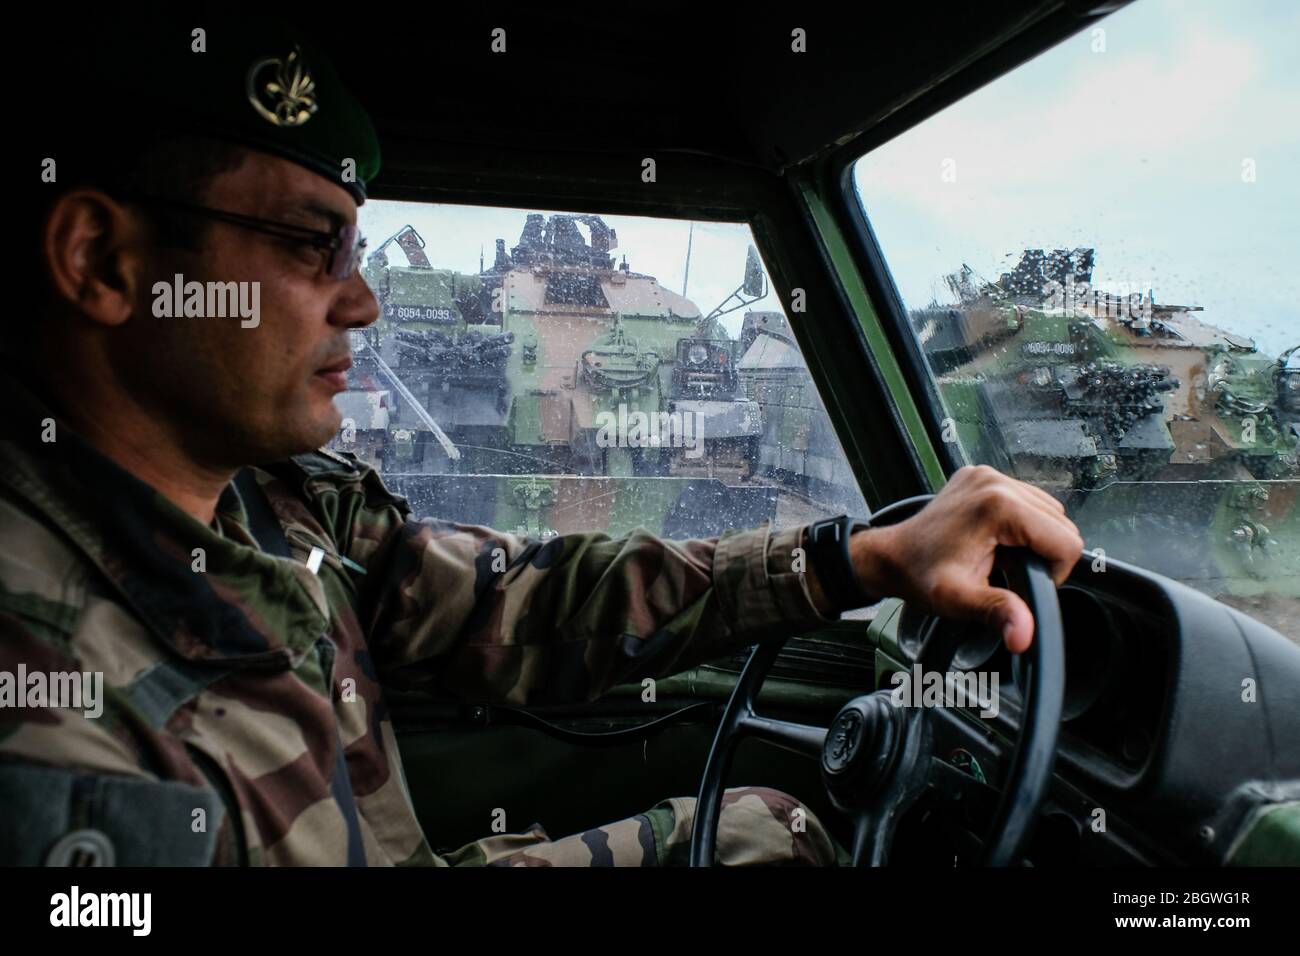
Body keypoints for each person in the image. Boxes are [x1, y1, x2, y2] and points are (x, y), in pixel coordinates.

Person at [1, 19, 1084, 866]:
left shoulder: (282, 504)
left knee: (772, 830)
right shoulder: (45, 696)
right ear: (103, 258)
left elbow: (508, 598)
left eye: (359, 247)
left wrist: (855, 559)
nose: (363, 302)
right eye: (308, 244)